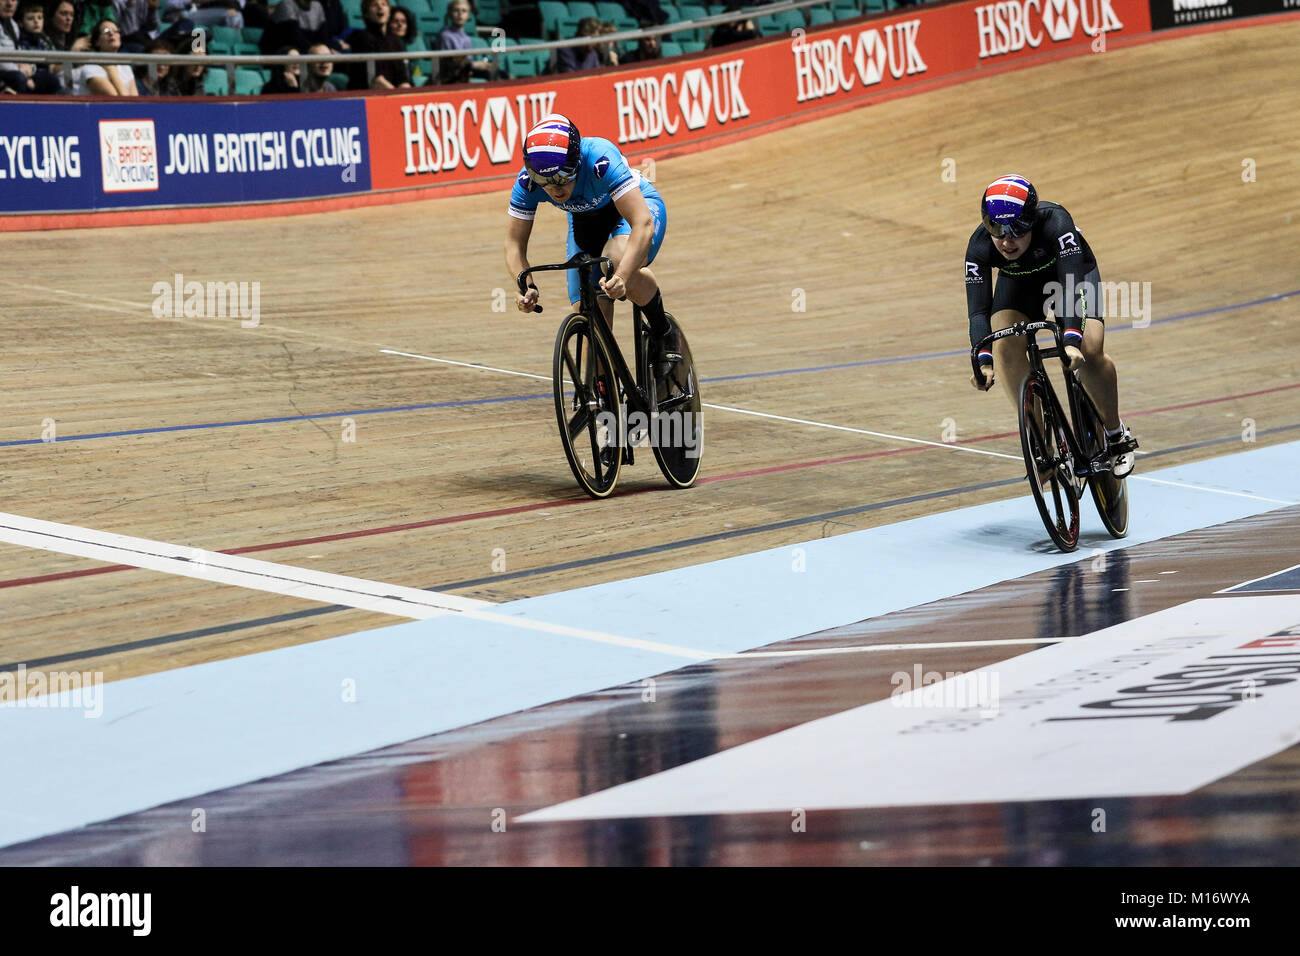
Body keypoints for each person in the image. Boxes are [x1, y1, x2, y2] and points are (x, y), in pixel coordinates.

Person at [965, 175, 1137, 477]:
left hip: (1069, 276)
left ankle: (1115, 435)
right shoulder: (979, 245)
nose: (1006, 241)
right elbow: (979, 312)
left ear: (1032, 222)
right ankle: (1041, 446)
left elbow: (1071, 287)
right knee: (1005, 350)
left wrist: (1070, 338)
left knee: (1089, 349)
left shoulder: (1056, 222)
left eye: (1017, 232)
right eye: (998, 232)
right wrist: (983, 360)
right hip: (1019, 284)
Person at [505, 115, 679, 387]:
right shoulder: (528, 182)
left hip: (634, 211)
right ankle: (606, 397)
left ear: (577, 162)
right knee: (586, 312)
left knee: (616, 261)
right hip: (585, 225)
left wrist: (623, 276)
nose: (554, 188)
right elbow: (515, 245)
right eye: (544, 180)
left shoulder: (600, 158)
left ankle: (662, 330)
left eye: (562, 178)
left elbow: (642, 224)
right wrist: (524, 285)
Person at [345, 0, 408, 89]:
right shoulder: (361, 37)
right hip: (366, 95)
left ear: (389, 12)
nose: (380, 7)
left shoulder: (396, 40)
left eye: (384, 4)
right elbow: (377, 80)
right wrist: (398, 97)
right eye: (374, 5)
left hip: (392, 93)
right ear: (366, 13)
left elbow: (402, 78)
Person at [69, 18, 137, 93]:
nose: (111, 34)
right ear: (97, 42)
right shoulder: (90, 68)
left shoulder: (125, 67)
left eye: (115, 31)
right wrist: (111, 70)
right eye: (106, 31)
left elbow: (135, 100)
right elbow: (118, 101)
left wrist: (110, 68)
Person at [14, 0, 62, 91]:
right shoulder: (19, 40)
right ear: (20, 23)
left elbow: (54, 63)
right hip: (32, 78)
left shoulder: (46, 40)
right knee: (52, 80)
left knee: (67, 69)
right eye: (30, 18)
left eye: (40, 18)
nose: (36, 21)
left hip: (48, 76)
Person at [435, 0, 488, 84]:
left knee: (499, 72)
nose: (460, 14)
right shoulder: (445, 35)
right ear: (449, 13)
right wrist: (475, 65)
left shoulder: (465, 37)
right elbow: (450, 63)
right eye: (456, 10)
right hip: (452, 74)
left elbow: (468, 59)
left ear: (468, 15)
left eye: (464, 11)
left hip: (467, 69)